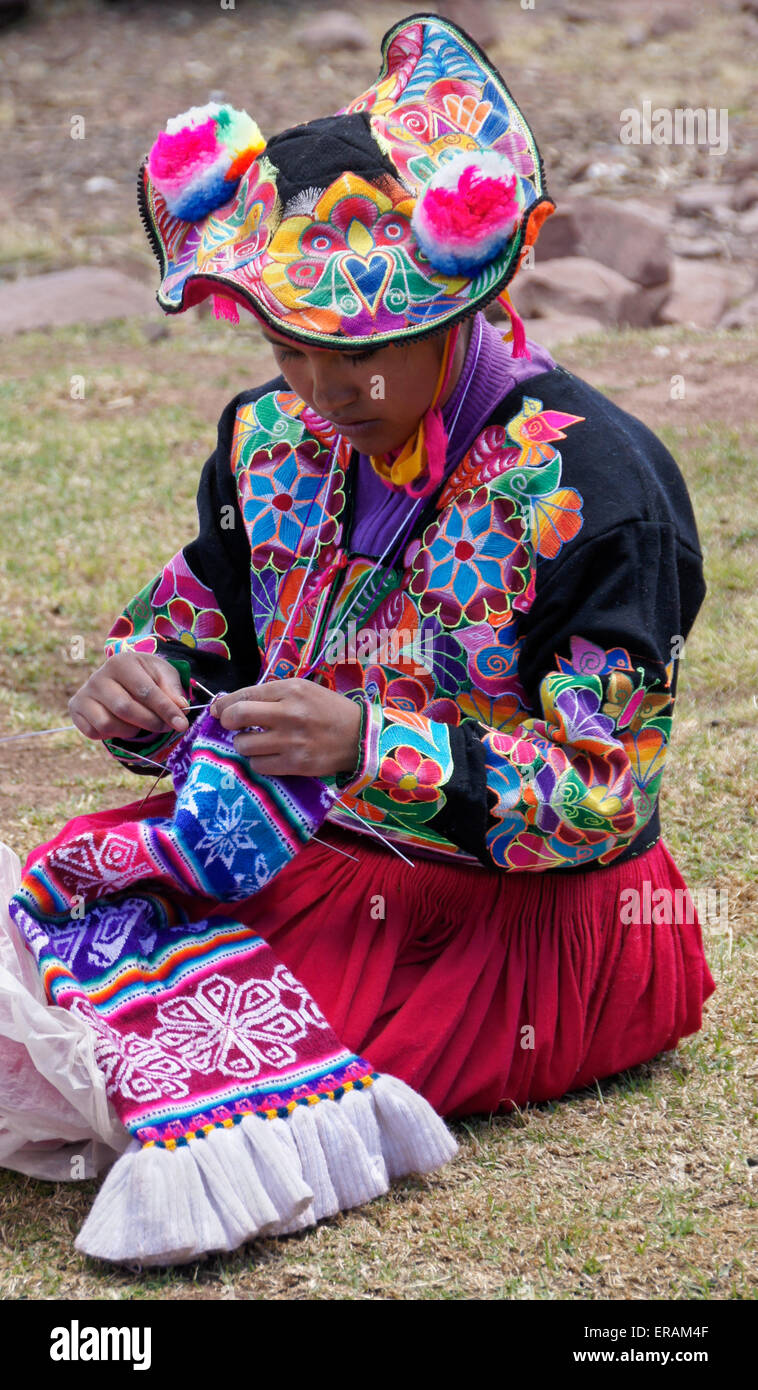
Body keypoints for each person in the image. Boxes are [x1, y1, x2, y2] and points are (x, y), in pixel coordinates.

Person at [3, 13, 715, 1150]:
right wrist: (141, 689)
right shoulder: (270, 440)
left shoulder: (595, 490)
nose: (322, 388)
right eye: (289, 345)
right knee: (53, 940)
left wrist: (365, 743)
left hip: (520, 920)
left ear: (457, 308)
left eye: (359, 352)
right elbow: (202, 637)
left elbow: (602, 800)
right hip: (304, 852)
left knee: (184, 1065)